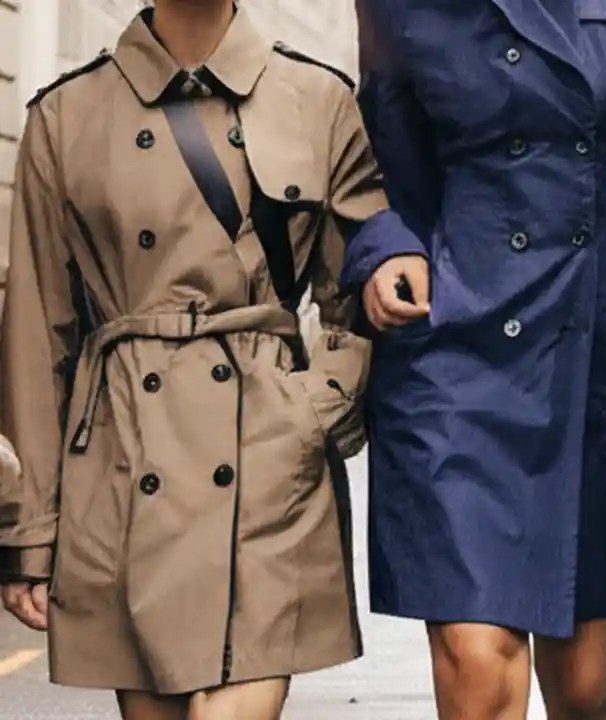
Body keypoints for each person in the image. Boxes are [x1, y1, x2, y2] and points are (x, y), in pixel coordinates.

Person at [348, 1, 606, 718]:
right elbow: (376, 163)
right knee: (478, 674)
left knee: (585, 689)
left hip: (599, 355)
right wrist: (384, 250)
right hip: (454, 358)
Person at [0, 1, 409, 717]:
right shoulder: (67, 114)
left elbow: (357, 297)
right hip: (126, 465)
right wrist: (30, 535)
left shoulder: (317, 98)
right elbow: (36, 341)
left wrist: (312, 411)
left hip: (266, 463)